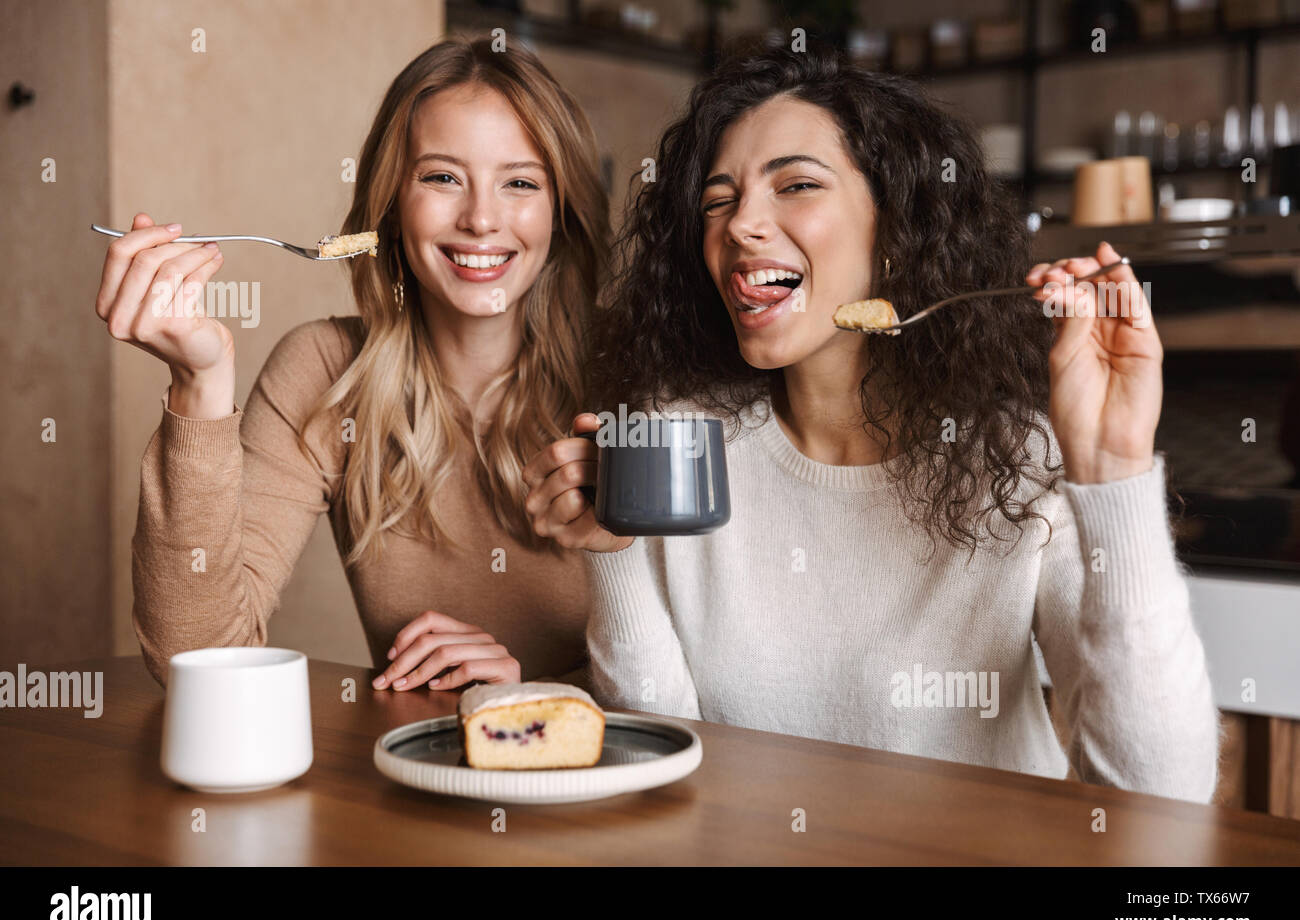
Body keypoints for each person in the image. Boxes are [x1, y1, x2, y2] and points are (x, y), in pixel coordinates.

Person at [523, 46, 1221, 802]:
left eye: (796, 185)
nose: (742, 225)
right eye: (717, 201)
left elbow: (1164, 795)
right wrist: (614, 550)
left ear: (897, 228)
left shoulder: (1015, 456)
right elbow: (663, 770)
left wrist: (1114, 471)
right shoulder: (676, 443)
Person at [99, 39, 609, 690]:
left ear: (560, 211)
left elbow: (708, 682)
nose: (482, 219)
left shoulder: (630, 373)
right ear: (391, 207)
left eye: (519, 182)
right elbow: (194, 663)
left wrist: (537, 692)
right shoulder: (326, 369)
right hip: (407, 778)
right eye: (442, 177)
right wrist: (199, 383)